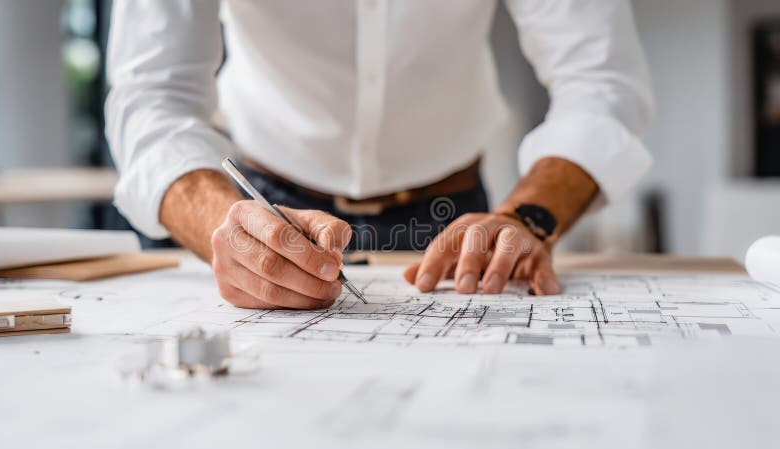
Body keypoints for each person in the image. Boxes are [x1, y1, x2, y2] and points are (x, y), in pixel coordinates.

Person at [106, 0, 653, 309]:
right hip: (260, 210)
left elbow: (600, 80)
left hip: (458, 222)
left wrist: (527, 217)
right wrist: (220, 223)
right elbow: (152, 95)